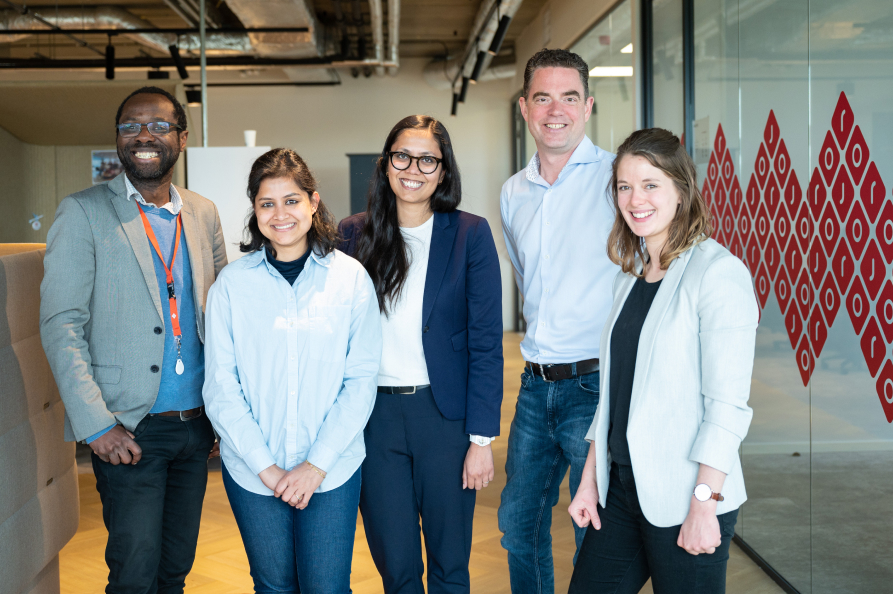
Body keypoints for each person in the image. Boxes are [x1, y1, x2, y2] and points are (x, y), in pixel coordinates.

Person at [39, 86, 227, 593]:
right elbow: (61, 325)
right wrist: (97, 426)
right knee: (134, 573)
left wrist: (223, 412)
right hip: (128, 430)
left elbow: (224, 320)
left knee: (175, 568)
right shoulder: (82, 212)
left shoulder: (204, 212)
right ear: (119, 140)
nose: (144, 136)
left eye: (160, 126)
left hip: (195, 429)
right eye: (130, 126)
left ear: (182, 139)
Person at [567, 128, 758, 593]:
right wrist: (590, 480)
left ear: (681, 191)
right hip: (621, 492)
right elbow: (613, 396)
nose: (636, 199)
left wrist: (703, 505)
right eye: (624, 186)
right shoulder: (629, 277)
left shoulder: (718, 273)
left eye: (651, 184)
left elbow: (727, 407)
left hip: (685, 494)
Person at [202, 148, 381, 594]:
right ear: (255, 211)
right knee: (274, 586)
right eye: (267, 203)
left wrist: (313, 468)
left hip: (331, 470)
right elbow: (222, 388)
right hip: (253, 472)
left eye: (292, 200)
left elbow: (360, 382)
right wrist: (268, 469)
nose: (280, 214)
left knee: (327, 586)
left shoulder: (351, 279)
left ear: (314, 202)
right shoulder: (232, 286)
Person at [339, 115, 503, 594]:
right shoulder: (352, 234)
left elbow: (487, 341)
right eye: (402, 156)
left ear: (443, 171)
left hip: (445, 419)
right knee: (397, 566)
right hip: (372, 417)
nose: (413, 168)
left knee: (450, 566)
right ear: (386, 164)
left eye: (427, 159)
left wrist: (481, 439)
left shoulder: (470, 233)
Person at [498, 48, 620, 593]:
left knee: (593, 532)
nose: (556, 109)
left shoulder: (619, 179)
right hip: (534, 386)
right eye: (542, 97)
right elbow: (530, 279)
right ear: (524, 107)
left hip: (597, 384)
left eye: (569, 97)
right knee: (517, 528)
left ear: (588, 105)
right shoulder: (513, 191)